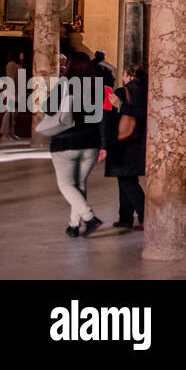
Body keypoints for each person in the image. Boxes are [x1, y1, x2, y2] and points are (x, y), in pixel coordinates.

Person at [49, 52, 105, 238]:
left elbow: (48, 109)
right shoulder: (96, 86)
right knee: (79, 184)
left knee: (66, 185)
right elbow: (101, 118)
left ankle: (90, 219)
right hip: (90, 142)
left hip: (65, 142)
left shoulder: (63, 84)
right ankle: (73, 225)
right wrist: (104, 145)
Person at [105, 63, 147, 230]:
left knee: (126, 179)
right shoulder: (149, 91)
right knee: (126, 177)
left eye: (123, 74)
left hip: (123, 142)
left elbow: (110, 118)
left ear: (129, 76)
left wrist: (120, 106)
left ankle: (145, 215)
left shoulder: (122, 92)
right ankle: (125, 217)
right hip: (140, 140)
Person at [1, 49, 21, 139]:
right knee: (9, 113)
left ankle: (11, 133)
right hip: (12, 92)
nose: (22, 55)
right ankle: (5, 133)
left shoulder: (18, 65)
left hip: (18, 92)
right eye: (21, 53)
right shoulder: (11, 64)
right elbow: (10, 79)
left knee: (14, 114)